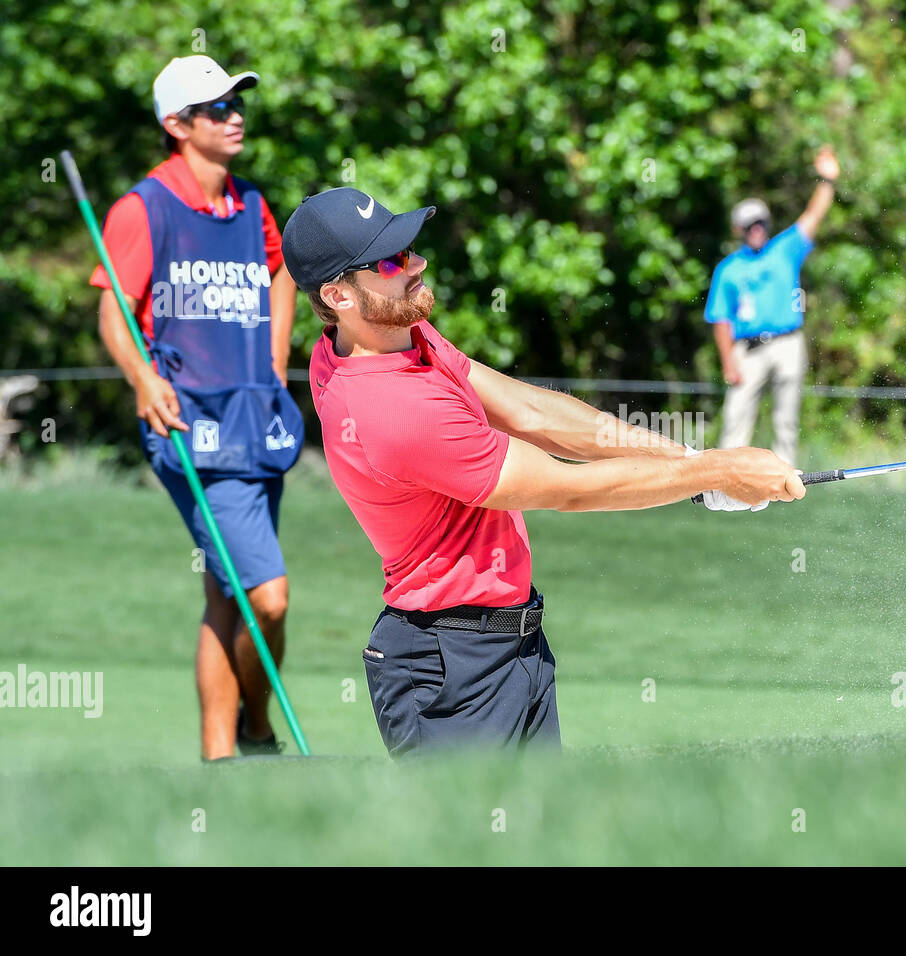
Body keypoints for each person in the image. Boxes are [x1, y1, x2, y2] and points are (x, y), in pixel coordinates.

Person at [281, 188, 804, 756]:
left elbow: (533, 413)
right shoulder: (394, 410)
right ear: (337, 294)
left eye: (408, 248)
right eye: (389, 262)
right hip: (451, 669)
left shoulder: (391, 338)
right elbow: (568, 489)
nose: (416, 264)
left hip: (511, 643)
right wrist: (720, 471)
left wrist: (695, 466)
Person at [91, 55, 303, 761]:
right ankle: (259, 725)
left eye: (237, 103)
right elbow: (113, 316)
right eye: (215, 109)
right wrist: (143, 380)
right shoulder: (141, 208)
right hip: (191, 429)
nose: (234, 116)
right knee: (266, 596)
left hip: (256, 418)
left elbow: (280, 273)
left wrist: (274, 362)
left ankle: (219, 764)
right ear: (176, 125)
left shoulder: (250, 204)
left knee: (226, 596)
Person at [705, 145, 841, 468]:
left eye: (760, 222)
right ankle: (727, 477)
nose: (756, 228)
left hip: (787, 343)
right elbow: (721, 318)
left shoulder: (784, 250)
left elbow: (813, 215)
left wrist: (827, 180)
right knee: (736, 417)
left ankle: (783, 479)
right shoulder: (729, 269)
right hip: (747, 350)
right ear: (738, 229)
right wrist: (728, 362)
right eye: (749, 224)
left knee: (786, 419)